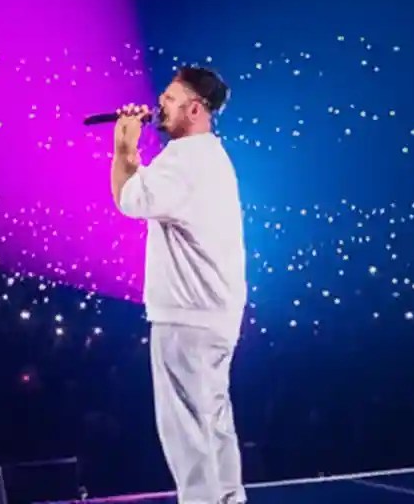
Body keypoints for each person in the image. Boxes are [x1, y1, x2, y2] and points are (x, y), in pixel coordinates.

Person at [111, 66, 247, 504]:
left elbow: (130, 199)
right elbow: (151, 190)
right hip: (216, 313)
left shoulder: (184, 158)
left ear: (194, 108)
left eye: (169, 99)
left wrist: (123, 146)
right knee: (214, 420)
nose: (159, 105)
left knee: (186, 428)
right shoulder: (211, 156)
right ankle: (228, 499)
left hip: (186, 315)